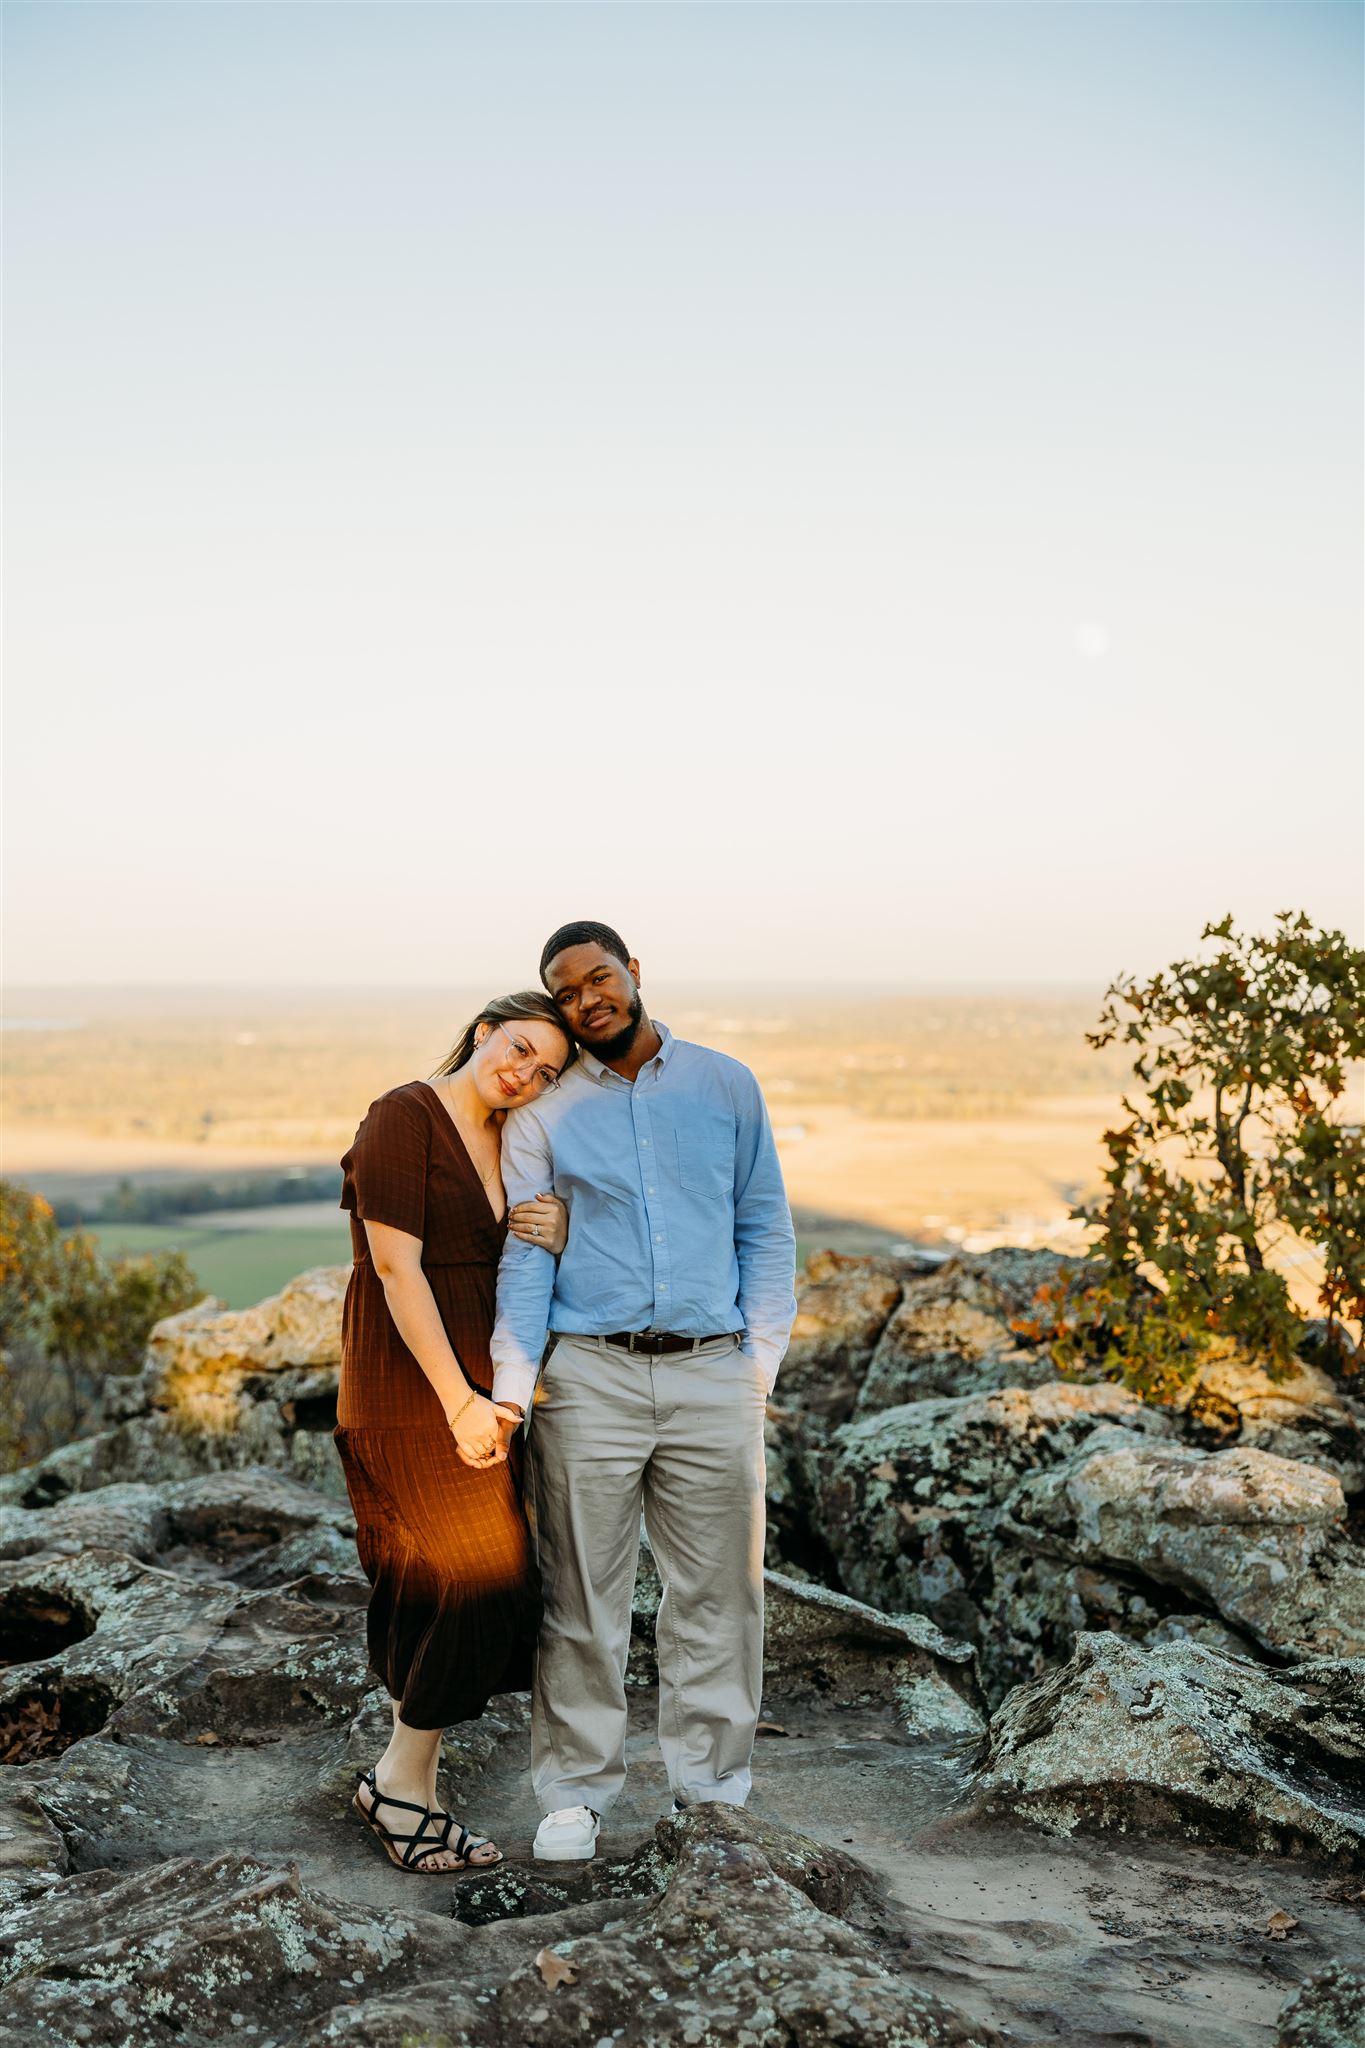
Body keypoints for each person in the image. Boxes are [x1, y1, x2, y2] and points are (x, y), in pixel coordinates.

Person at [490, 921, 797, 1862]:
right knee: (582, 1593)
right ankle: (575, 1794)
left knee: (720, 1595)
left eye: (600, 977)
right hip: (591, 1374)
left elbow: (766, 1229)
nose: (588, 998)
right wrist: (517, 1382)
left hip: (714, 1371)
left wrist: (755, 1372)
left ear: (633, 974)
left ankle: (710, 1794)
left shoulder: (725, 1085)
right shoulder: (544, 1114)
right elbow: (528, 1256)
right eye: (567, 990)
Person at [335, 992, 575, 1874]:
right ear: (483, 1032)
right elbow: (397, 1270)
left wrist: (560, 1226)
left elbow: (517, 1253)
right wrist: (458, 1401)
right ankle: (399, 1788)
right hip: (411, 1394)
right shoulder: (405, 1115)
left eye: (546, 1071)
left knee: (443, 1586)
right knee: (487, 1583)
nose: (525, 1073)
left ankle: (408, 1787)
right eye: (519, 1049)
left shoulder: (512, 1141)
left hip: (480, 1395)